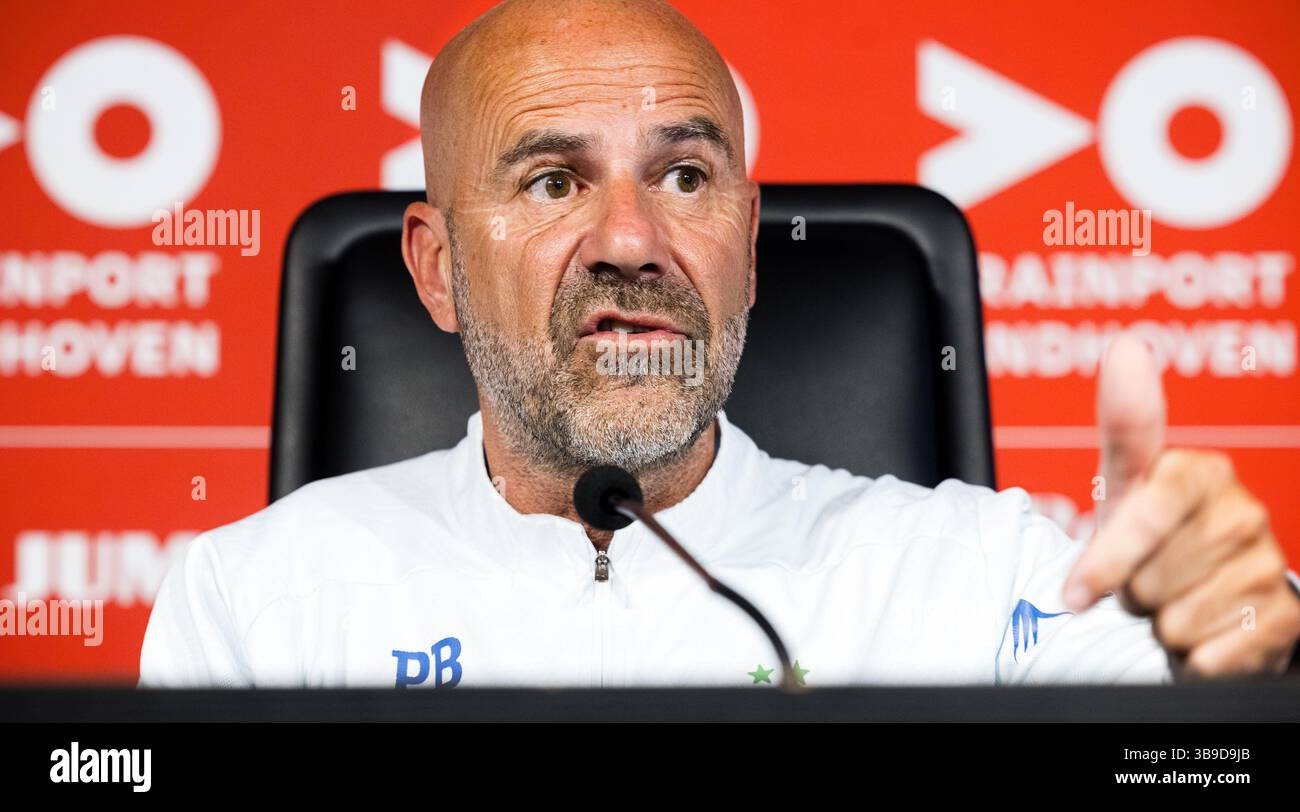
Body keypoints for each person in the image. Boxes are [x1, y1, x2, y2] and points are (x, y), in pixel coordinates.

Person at [139, 0, 1300, 688]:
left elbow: (1187, 722)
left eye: (684, 176)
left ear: (745, 242)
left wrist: (1249, 646)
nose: (632, 239)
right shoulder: (254, 603)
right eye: (554, 180)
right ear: (438, 268)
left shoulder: (975, 573)